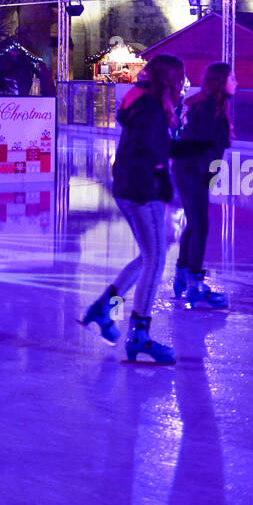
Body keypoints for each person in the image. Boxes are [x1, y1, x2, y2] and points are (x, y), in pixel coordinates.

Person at [81, 53, 184, 364]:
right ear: (170, 79)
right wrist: (161, 175)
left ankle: (104, 307)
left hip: (130, 185)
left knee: (148, 256)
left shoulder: (143, 102)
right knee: (156, 258)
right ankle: (139, 334)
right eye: (181, 77)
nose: (183, 84)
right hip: (141, 189)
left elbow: (152, 144)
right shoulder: (151, 107)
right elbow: (145, 147)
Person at [171, 62, 234, 309]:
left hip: (193, 171)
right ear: (220, 81)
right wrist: (205, 176)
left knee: (195, 223)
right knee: (200, 225)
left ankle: (182, 275)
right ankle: (195, 285)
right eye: (232, 78)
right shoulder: (208, 108)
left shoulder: (214, 106)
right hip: (192, 171)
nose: (236, 83)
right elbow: (199, 145)